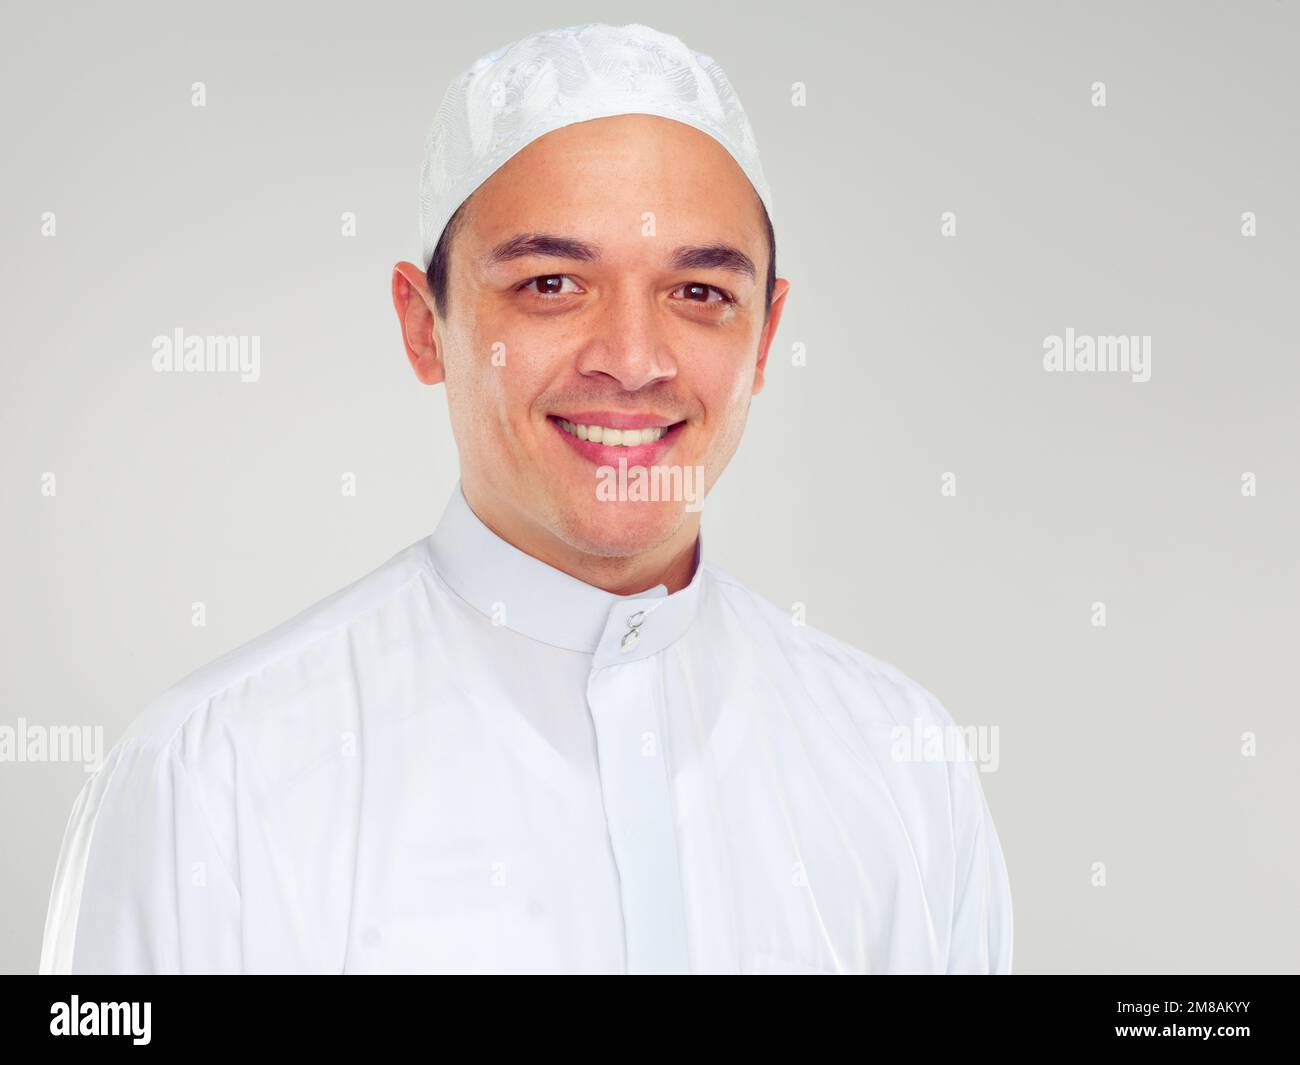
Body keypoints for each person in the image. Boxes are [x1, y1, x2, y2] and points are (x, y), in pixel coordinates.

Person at [40, 21, 1012, 975]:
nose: (632, 362)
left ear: (763, 336)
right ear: (424, 327)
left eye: (699, 293)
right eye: (553, 283)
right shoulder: (216, 775)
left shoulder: (896, 762)